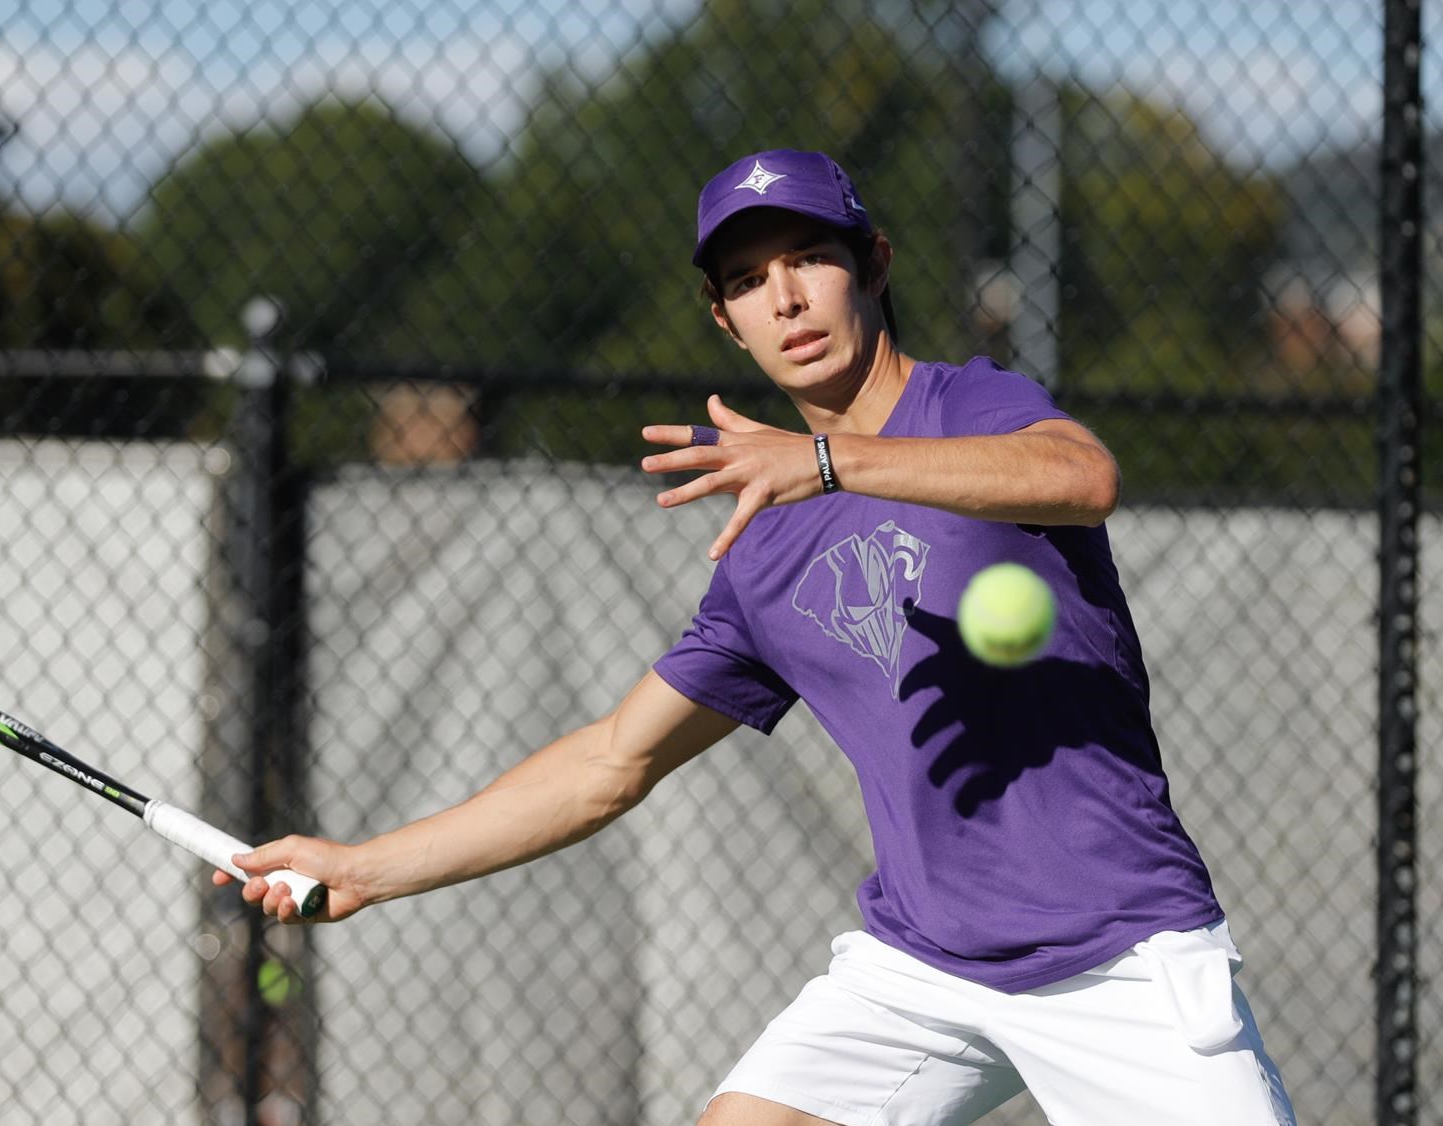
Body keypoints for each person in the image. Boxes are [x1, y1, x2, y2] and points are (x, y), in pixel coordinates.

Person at [219, 148, 1296, 1126]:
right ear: (725, 320)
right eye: (745, 280)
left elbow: (1084, 476)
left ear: (873, 266)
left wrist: (827, 462)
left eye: (809, 259)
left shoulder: (973, 406)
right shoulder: (764, 552)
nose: (783, 298)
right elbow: (611, 762)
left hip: (1119, 953)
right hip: (924, 963)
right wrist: (367, 868)